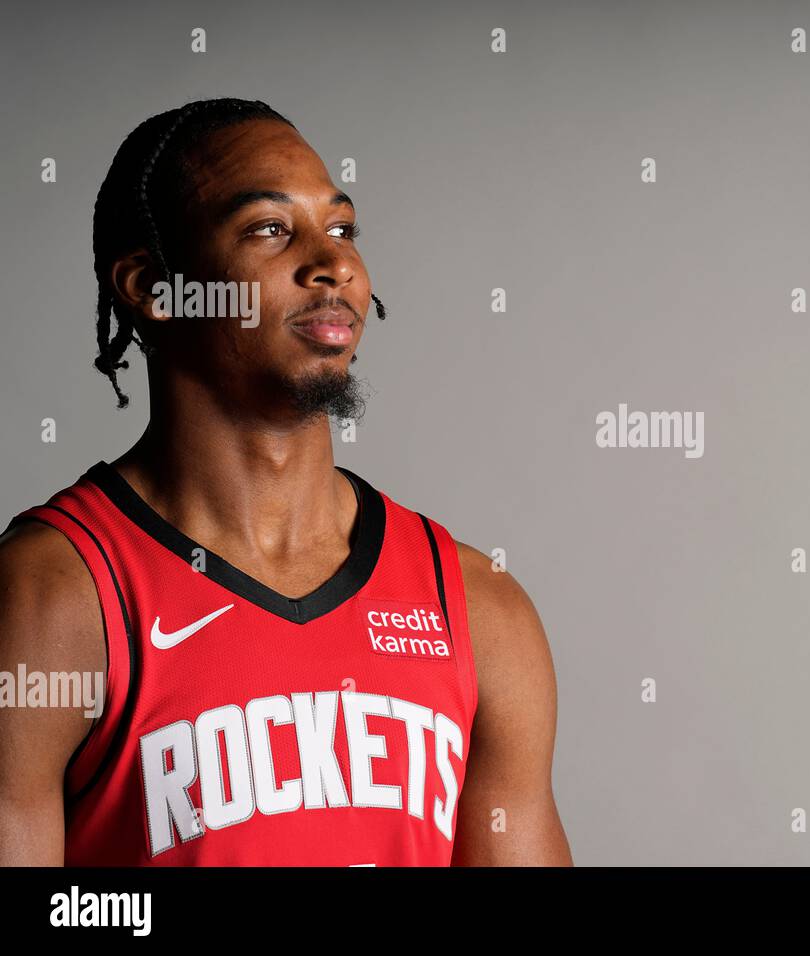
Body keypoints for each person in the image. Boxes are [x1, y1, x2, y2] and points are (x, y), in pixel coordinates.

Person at [0, 98, 572, 866]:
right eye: (270, 229)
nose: (331, 262)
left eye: (341, 229)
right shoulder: (51, 600)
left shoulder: (476, 606)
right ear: (151, 287)